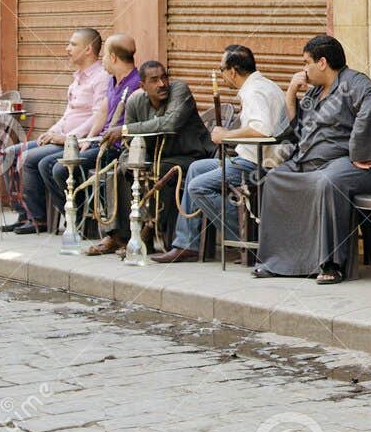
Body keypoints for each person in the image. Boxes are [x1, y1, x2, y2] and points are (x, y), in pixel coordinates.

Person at [254, 35, 371, 285]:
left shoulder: (354, 83)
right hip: (310, 159)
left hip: (350, 163)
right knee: (274, 178)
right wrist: (291, 91)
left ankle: (331, 264)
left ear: (322, 62)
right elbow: (293, 128)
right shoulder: (315, 92)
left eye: (306, 62)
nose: (303, 69)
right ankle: (278, 262)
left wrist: (359, 151)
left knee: (327, 182)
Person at [153, 45, 291, 265]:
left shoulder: (254, 91)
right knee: (196, 168)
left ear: (233, 71)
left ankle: (248, 239)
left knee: (198, 186)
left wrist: (226, 134)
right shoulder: (263, 84)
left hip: (256, 163)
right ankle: (186, 243)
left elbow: (261, 130)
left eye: (222, 69)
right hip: (248, 158)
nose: (222, 75)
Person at [89, 61, 212, 255]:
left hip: (190, 157)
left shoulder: (180, 90)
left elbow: (170, 124)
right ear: (142, 86)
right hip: (155, 158)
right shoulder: (136, 102)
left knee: (159, 171)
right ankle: (117, 235)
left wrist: (125, 129)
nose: (162, 84)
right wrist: (129, 162)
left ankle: (148, 229)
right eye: (154, 80)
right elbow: (129, 143)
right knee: (119, 170)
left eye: (164, 78)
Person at [0, 27, 106, 234]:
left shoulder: (101, 77)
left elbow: (97, 117)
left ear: (88, 49)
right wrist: (50, 131)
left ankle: (39, 218)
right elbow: (68, 115)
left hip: (76, 141)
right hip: (61, 136)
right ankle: (24, 215)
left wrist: (64, 137)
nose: (67, 49)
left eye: (73, 44)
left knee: (29, 158)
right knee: (9, 154)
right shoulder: (78, 77)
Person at [45, 35, 141, 237]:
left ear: (113, 58)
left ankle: (80, 222)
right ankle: (76, 220)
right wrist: (87, 140)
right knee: (50, 165)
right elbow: (102, 113)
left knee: (60, 169)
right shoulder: (114, 80)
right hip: (98, 143)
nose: (102, 60)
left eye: (104, 55)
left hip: (117, 148)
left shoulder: (135, 84)